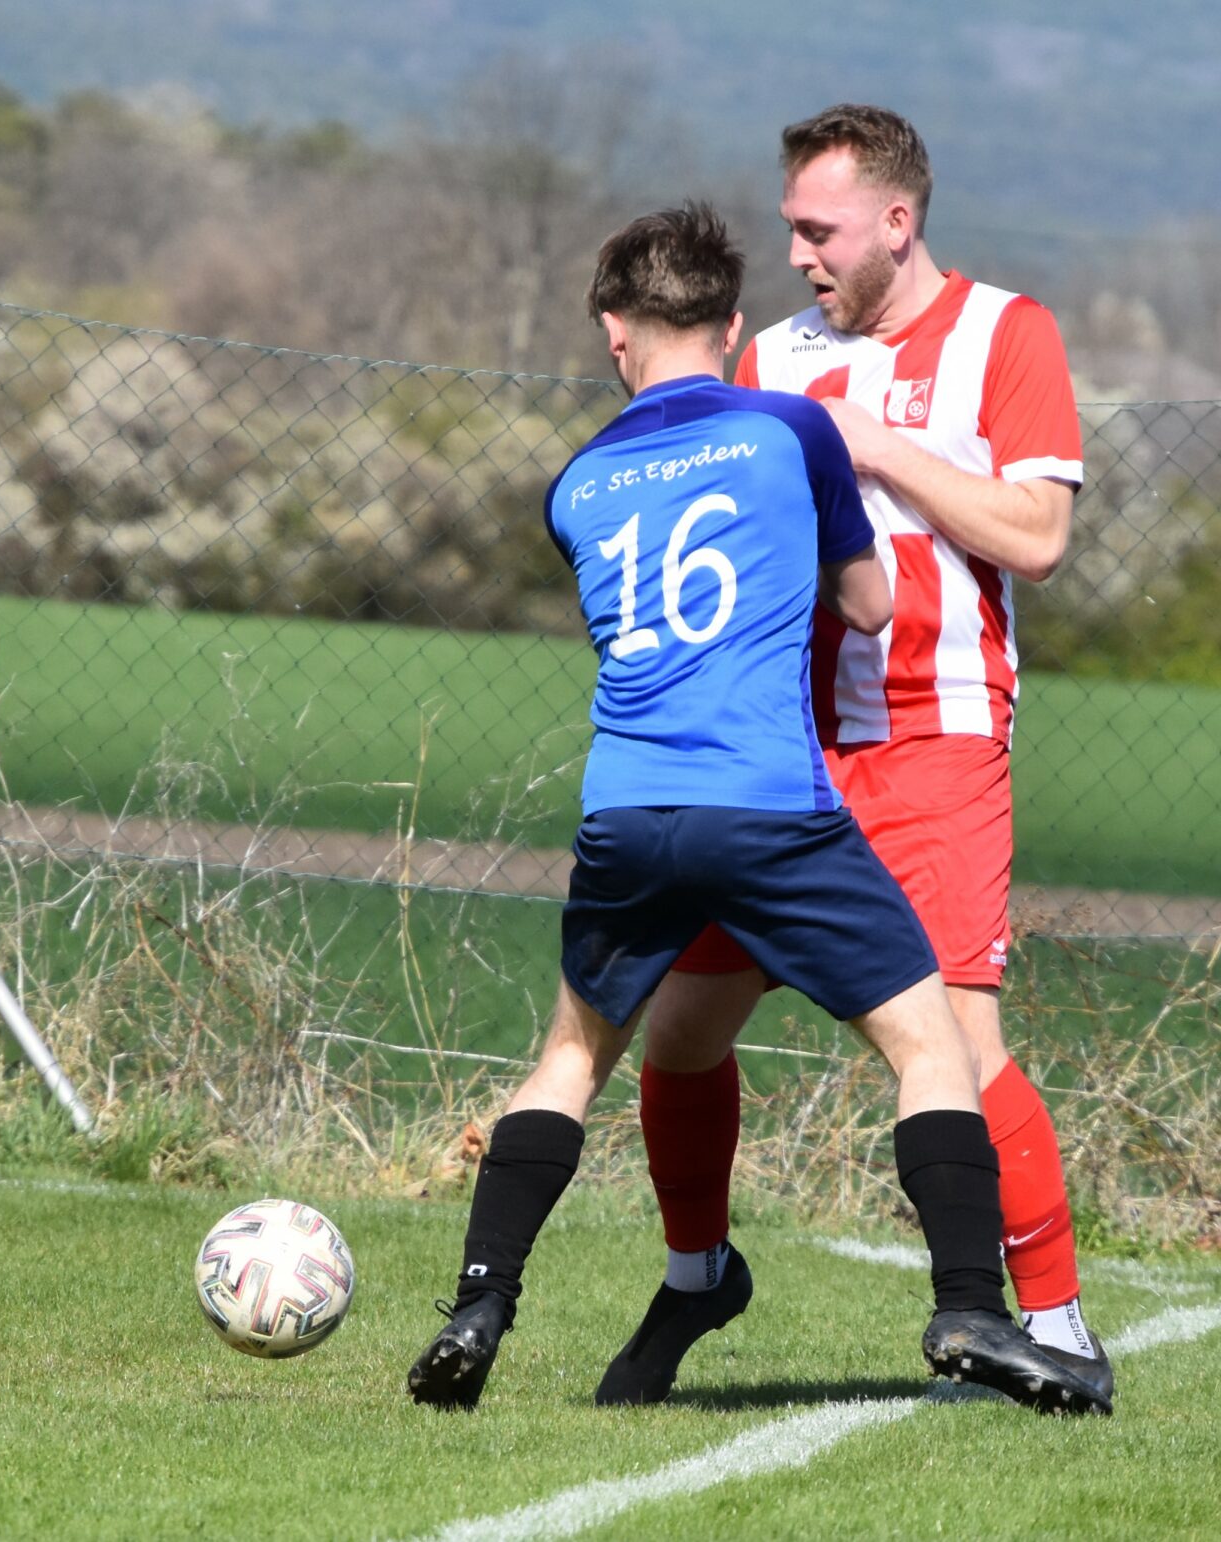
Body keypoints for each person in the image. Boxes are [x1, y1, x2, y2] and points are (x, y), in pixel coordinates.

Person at [406, 203, 1108, 1416]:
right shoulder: (790, 430)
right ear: (732, 328)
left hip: (627, 813)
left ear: (612, 335)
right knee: (929, 1042)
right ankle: (968, 1309)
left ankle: (481, 1299)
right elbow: (873, 604)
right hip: (775, 800)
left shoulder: (576, 483)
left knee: (575, 1053)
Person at [596, 106, 1114, 1412]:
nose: (801, 253)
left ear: (898, 219)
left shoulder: (1010, 336)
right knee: (682, 1029)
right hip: (787, 758)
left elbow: (1038, 537)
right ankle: (701, 1268)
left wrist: (879, 451)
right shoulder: (769, 355)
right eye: (789, 230)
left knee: (958, 1038)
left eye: (820, 229)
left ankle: (1055, 1323)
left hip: (937, 742)